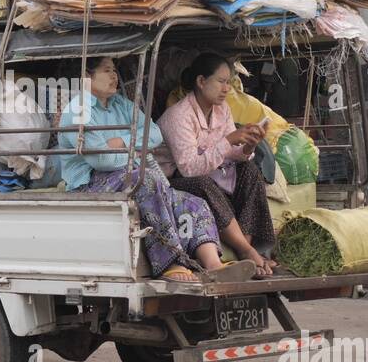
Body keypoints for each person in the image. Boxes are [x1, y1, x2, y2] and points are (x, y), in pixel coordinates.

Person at [57, 56, 256, 283]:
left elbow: (154, 134)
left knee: (192, 202)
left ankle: (214, 265)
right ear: (86, 76)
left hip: (128, 175)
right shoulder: (78, 111)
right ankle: (170, 262)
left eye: (114, 70)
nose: (114, 76)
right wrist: (133, 144)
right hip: (91, 184)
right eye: (107, 71)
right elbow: (102, 161)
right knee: (147, 180)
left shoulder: (120, 104)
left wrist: (120, 141)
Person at [156, 53, 278, 277]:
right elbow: (189, 168)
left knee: (250, 171)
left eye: (229, 82)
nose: (227, 89)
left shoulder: (222, 110)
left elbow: (231, 155)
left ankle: (251, 253)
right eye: (221, 82)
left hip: (213, 175)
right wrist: (230, 139)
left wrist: (249, 146)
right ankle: (246, 250)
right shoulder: (178, 116)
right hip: (174, 182)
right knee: (202, 183)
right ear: (201, 82)